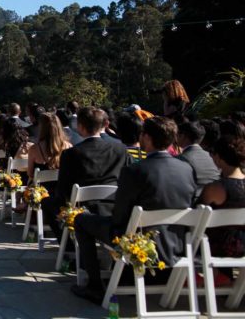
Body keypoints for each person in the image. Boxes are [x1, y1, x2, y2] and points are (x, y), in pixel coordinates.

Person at [71, 116, 196, 305]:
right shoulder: (186, 168)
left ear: (146, 137)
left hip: (137, 237)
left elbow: (120, 216)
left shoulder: (136, 170)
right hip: (175, 240)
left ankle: (94, 286)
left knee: (81, 220)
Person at [40, 107, 131, 243]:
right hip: (113, 206)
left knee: (46, 202)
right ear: (103, 125)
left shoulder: (70, 154)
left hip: (81, 208)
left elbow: (63, 188)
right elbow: (127, 180)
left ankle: (68, 246)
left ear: (80, 126)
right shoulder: (121, 150)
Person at [197, 136, 245, 275]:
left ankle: (221, 276)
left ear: (218, 158)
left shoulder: (216, 188)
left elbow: (198, 213)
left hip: (220, 246)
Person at [177, 121, 220, 198]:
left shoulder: (180, 159)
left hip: (193, 203)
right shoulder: (212, 156)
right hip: (217, 199)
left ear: (183, 136)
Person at [26, 112, 71, 181]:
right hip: (61, 189)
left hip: (41, 190)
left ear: (41, 128)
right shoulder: (68, 146)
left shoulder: (34, 149)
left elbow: (30, 173)